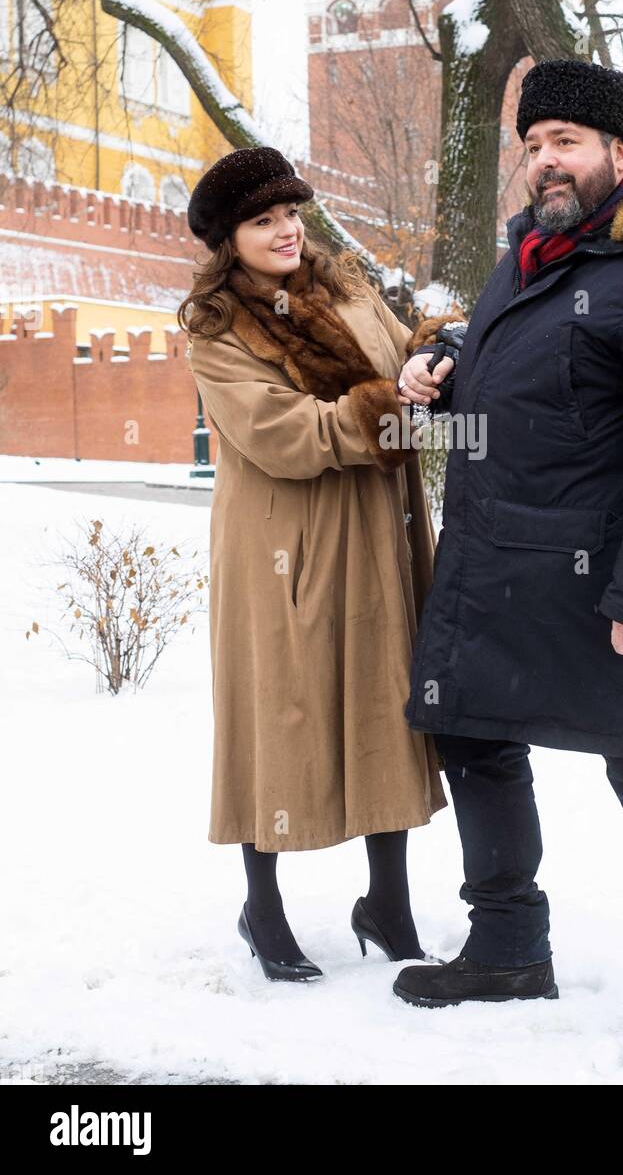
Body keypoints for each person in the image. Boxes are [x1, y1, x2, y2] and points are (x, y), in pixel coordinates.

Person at [393, 59, 623, 1077]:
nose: (544, 159)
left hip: (605, 585)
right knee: (471, 736)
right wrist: (449, 355)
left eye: (567, 142)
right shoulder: (530, 259)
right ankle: (506, 945)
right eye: (534, 141)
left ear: (622, 157)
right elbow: (541, 353)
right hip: (496, 564)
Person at [178, 146, 462, 982]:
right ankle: (261, 909)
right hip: (285, 549)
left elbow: (396, 356)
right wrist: (385, 406)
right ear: (229, 242)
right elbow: (283, 432)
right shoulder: (217, 331)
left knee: (385, 706)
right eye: (262, 221)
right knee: (278, 713)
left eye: (291, 215)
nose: (285, 231)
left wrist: (430, 358)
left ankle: (389, 904)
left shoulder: (345, 287)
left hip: (377, 531)